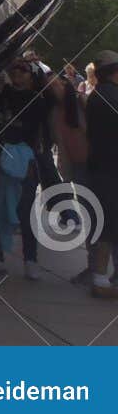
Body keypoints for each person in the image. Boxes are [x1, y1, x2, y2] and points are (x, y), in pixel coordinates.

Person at [0, 57, 56, 280]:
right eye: (14, 69)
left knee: (25, 210)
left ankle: (30, 259)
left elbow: (54, 100)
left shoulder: (37, 100)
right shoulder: (0, 95)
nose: (17, 72)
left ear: (32, 76)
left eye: (23, 69)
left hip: (23, 161)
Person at [85, 50, 118, 299]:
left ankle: (101, 277)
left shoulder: (97, 96)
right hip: (111, 169)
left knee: (104, 225)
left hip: (99, 167)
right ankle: (100, 280)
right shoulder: (113, 97)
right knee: (108, 227)